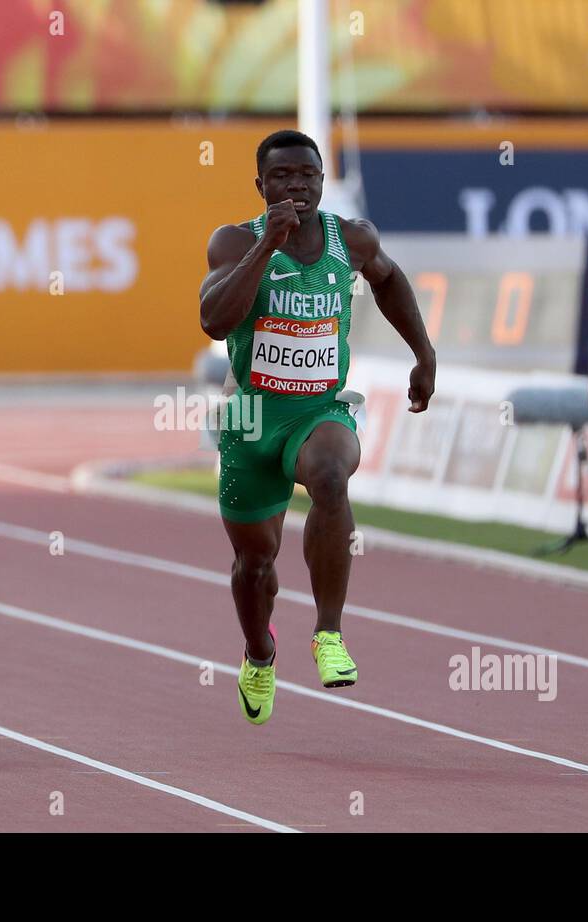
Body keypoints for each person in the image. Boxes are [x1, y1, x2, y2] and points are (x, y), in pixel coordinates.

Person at [198, 130, 435, 724]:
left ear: (323, 181)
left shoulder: (350, 238)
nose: (297, 185)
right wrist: (266, 248)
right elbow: (214, 320)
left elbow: (388, 279)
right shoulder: (233, 241)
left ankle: (329, 633)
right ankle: (259, 652)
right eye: (282, 176)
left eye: (308, 174)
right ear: (261, 186)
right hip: (253, 418)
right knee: (255, 565)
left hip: (319, 408)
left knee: (331, 477)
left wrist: (423, 354)